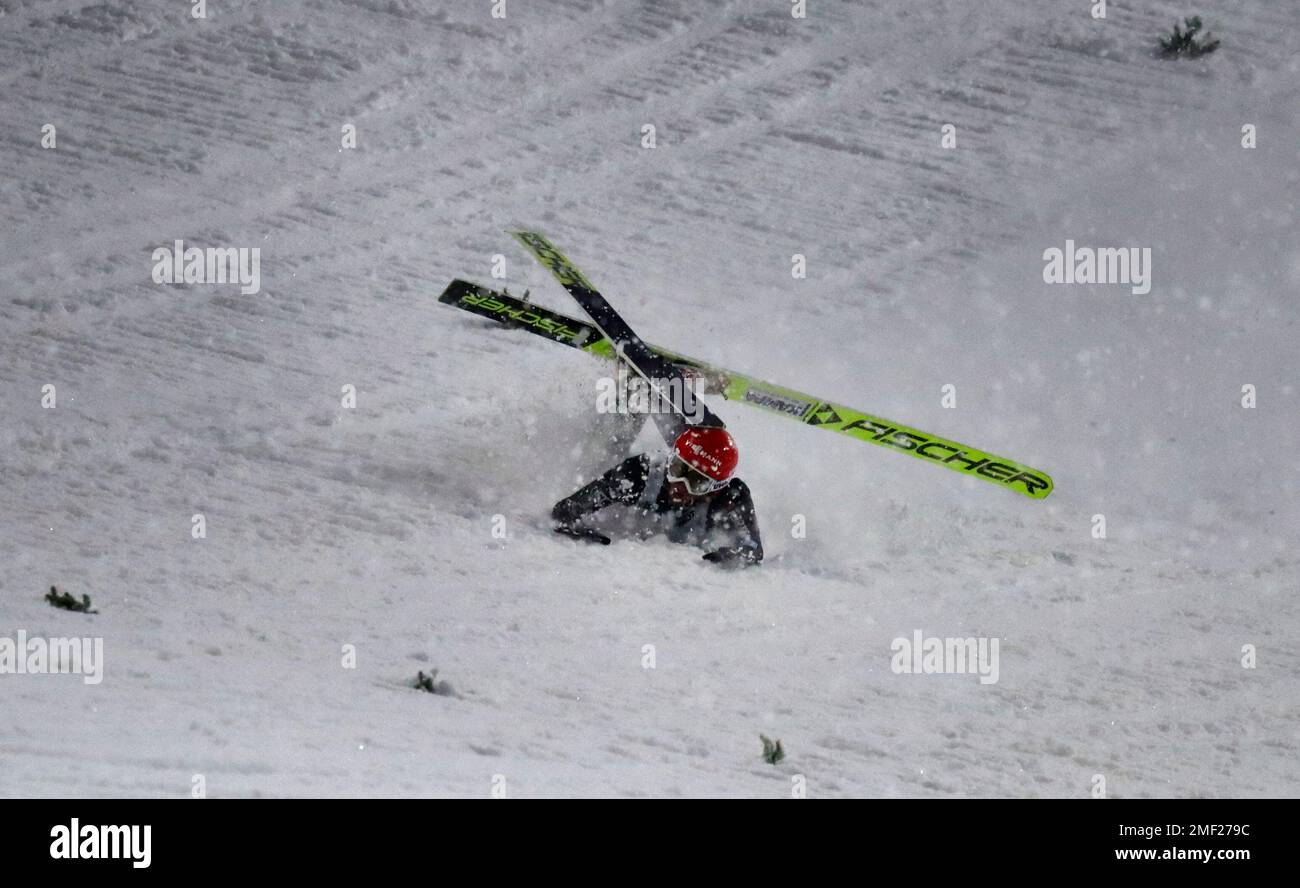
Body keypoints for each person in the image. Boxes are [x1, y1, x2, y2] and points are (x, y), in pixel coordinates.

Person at [552, 425, 763, 567]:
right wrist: (577, 527)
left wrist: (734, 555)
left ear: (716, 489)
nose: (680, 485)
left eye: (696, 482)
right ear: (670, 461)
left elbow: (753, 550)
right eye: (678, 469)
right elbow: (565, 509)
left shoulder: (731, 496)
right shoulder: (640, 473)